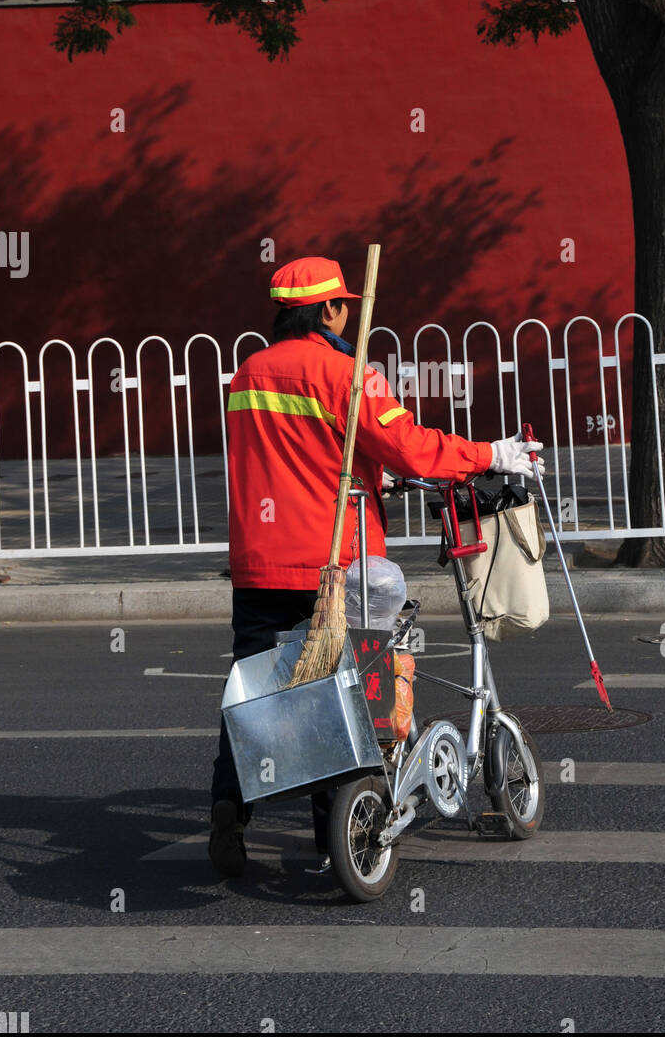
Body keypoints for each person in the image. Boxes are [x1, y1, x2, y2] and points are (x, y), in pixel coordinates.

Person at [208, 255, 544, 877]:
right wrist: (489, 453)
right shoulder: (345, 371)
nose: (350, 314)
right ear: (329, 309)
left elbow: (294, 456)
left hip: (258, 561)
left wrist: (367, 474)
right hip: (332, 564)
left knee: (254, 693)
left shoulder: (247, 373)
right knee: (335, 696)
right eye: (345, 305)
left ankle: (228, 810)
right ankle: (329, 831)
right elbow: (409, 445)